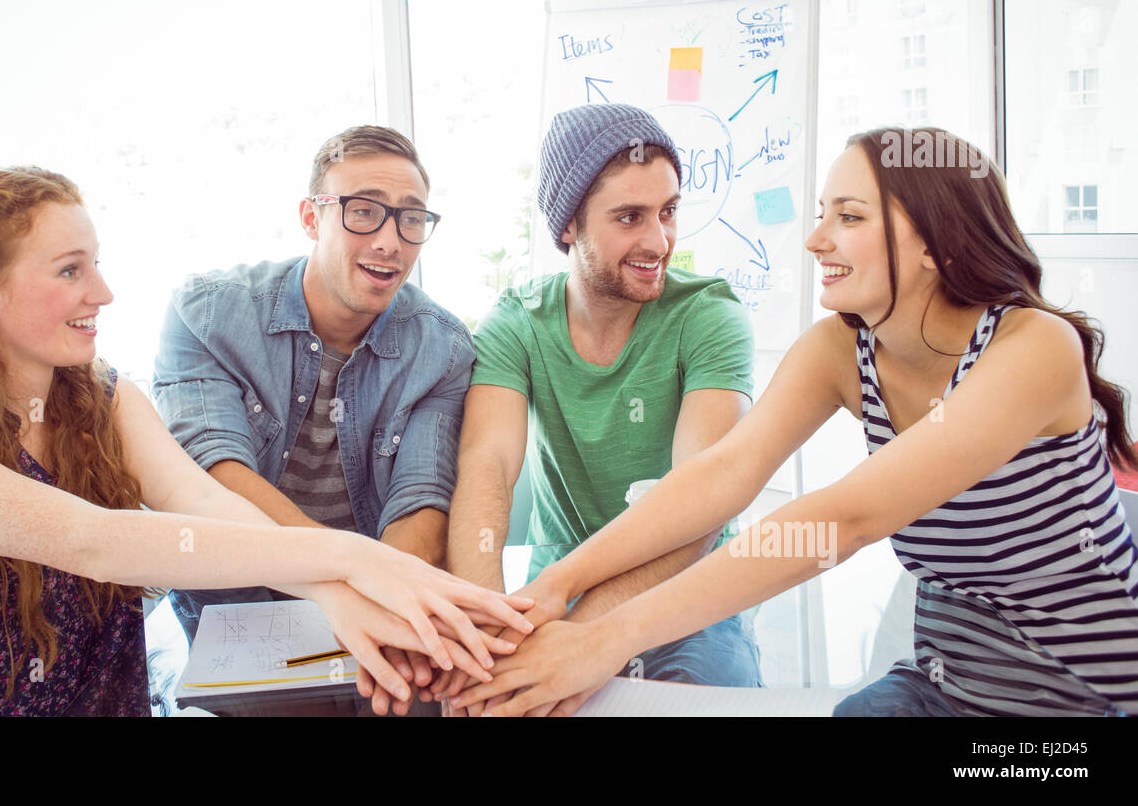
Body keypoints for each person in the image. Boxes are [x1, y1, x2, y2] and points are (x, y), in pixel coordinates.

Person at [449, 126, 1138, 717]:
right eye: (820, 213)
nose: (815, 240)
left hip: (1095, 698)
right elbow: (722, 472)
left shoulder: (1036, 348)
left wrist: (604, 639)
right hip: (948, 694)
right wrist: (557, 587)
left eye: (849, 216)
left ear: (935, 243)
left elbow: (848, 520)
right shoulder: (841, 348)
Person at [0, 166, 532, 716]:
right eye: (70, 270)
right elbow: (95, 541)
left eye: (97, 264)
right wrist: (349, 557)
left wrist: (337, 594)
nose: (104, 292)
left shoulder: (105, 400)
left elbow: (200, 499)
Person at [441, 103, 762, 714]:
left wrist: (583, 639)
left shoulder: (710, 316)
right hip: (550, 588)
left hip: (684, 586)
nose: (658, 240)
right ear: (569, 227)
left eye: (668, 212)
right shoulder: (517, 322)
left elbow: (701, 507)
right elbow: (486, 466)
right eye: (629, 217)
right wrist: (485, 632)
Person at [154, 126, 473, 715]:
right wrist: (351, 578)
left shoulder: (444, 347)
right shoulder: (208, 312)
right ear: (310, 217)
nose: (390, 241)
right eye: (364, 212)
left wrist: (385, 606)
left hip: (381, 595)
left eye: (410, 219)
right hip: (242, 607)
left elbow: (422, 499)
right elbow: (213, 476)